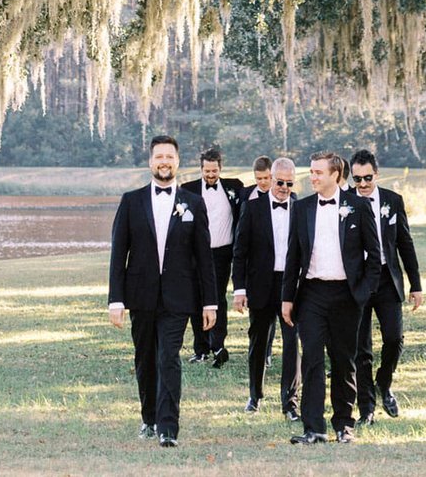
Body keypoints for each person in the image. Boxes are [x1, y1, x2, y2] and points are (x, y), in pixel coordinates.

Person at [108, 134, 218, 448]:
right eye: (159, 156)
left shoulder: (193, 204)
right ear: (150, 161)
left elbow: (204, 257)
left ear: (177, 161)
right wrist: (115, 299)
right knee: (145, 359)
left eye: (170, 156)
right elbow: (119, 254)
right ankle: (149, 418)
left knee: (169, 357)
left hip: (178, 297)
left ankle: (168, 428)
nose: (164, 162)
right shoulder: (131, 201)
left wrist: (210, 303)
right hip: (140, 296)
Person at [281, 147, 381, 445]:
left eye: (317, 172)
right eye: (311, 172)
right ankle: (314, 427)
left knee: (343, 361)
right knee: (311, 358)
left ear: (335, 175)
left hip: (347, 295)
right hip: (311, 294)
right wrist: (287, 298)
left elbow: (375, 257)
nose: (312, 177)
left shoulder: (358, 206)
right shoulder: (301, 208)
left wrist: (362, 293)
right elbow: (292, 255)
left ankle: (344, 424)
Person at [348, 149, 423, 425]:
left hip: (386, 278)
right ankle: (366, 408)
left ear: (376, 174)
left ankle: (384, 382)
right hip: (357, 282)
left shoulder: (392, 201)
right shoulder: (345, 203)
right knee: (361, 347)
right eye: (357, 179)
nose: (363, 184)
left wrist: (416, 283)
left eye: (367, 178)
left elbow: (405, 242)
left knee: (394, 338)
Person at [232, 154, 300, 421]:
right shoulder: (252, 208)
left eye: (289, 184)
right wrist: (239, 289)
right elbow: (240, 251)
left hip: (290, 285)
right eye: (280, 182)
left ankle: (290, 402)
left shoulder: (301, 208)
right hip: (260, 283)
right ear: (270, 179)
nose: (284, 188)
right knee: (258, 341)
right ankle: (255, 395)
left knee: (291, 343)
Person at [181, 145, 246, 366]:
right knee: (196, 299)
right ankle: (200, 349)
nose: (210, 175)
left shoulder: (234, 187)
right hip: (195, 255)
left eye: (214, 171)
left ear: (220, 169)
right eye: (207, 171)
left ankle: (218, 345)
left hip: (223, 254)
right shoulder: (187, 190)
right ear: (201, 169)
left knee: (217, 299)